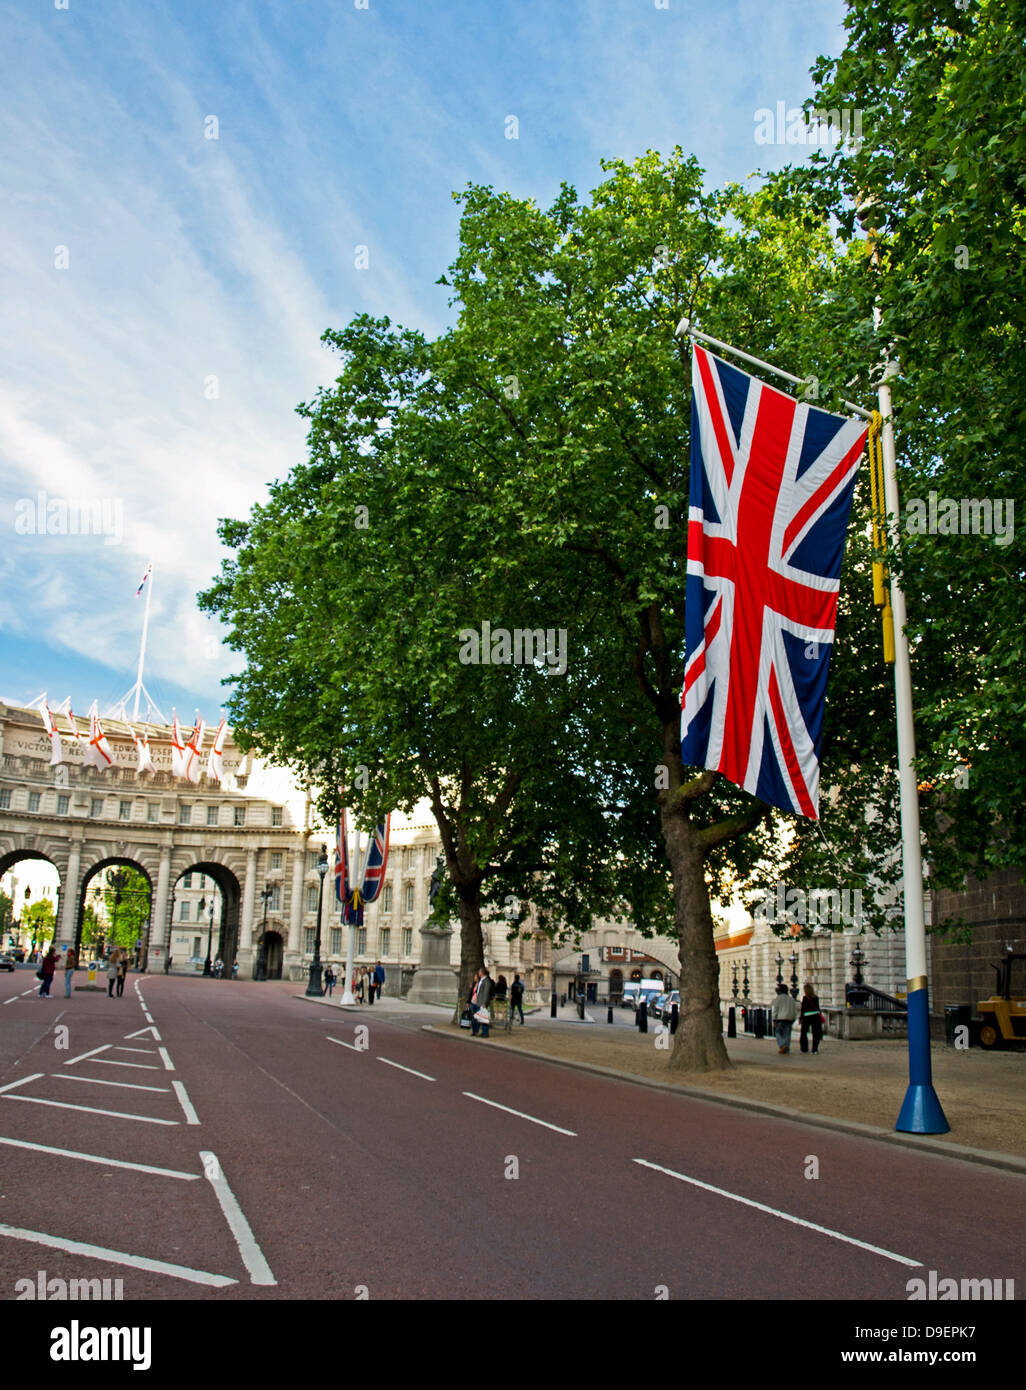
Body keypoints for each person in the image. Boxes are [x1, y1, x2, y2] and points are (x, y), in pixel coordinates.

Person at [772, 982, 799, 1053]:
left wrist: (774, 1019)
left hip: (780, 1018)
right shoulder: (791, 999)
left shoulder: (778, 998)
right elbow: (794, 1010)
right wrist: (794, 1018)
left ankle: (782, 1045)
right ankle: (786, 1048)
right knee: (787, 1034)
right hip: (789, 1019)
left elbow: (776, 1010)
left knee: (777, 1032)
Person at [799, 982, 823, 1054]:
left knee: (803, 1032)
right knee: (816, 1033)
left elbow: (803, 1009)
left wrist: (801, 1018)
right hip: (816, 1016)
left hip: (807, 1016)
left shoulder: (805, 998)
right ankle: (814, 1049)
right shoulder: (816, 997)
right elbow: (817, 1008)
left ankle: (804, 1048)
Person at [475, 967, 493, 1039]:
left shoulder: (486, 981)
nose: (478, 973)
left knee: (484, 1018)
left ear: (482, 972)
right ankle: (483, 1031)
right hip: (479, 1001)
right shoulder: (481, 980)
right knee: (481, 1018)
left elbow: (486, 993)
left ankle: (485, 1032)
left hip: (483, 1002)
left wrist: (484, 1002)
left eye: (479, 972)